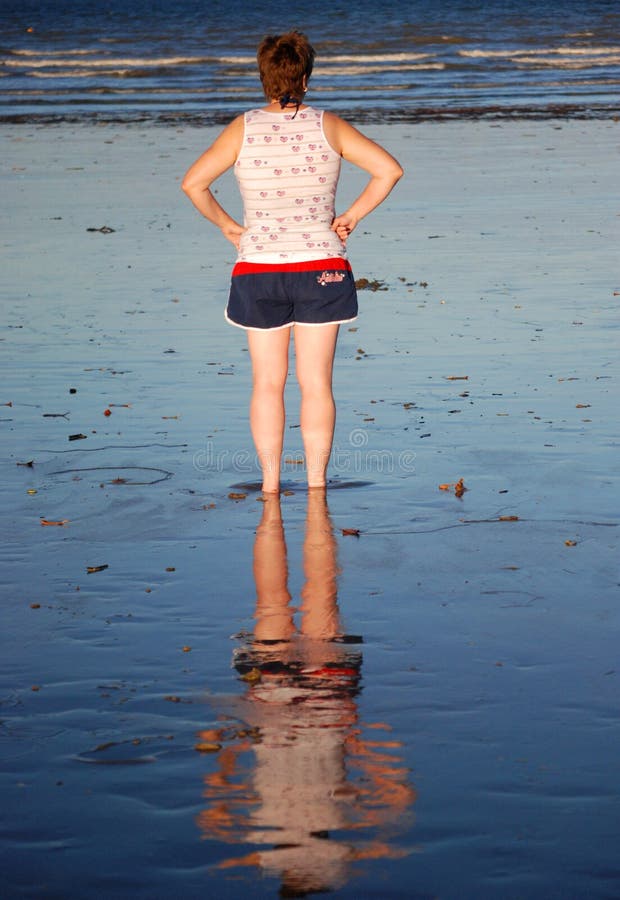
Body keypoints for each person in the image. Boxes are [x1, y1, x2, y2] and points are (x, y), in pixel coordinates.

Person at [182, 31, 403, 493]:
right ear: (304, 77)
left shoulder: (242, 128)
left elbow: (193, 184)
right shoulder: (329, 125)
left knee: (267, 384)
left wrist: (228, 226)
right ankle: (318, 484)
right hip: (321, 266)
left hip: (258, 269)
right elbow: (389, 170)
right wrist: (351, 217)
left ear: (264, 77)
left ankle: (269, 485)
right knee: (316, 384)